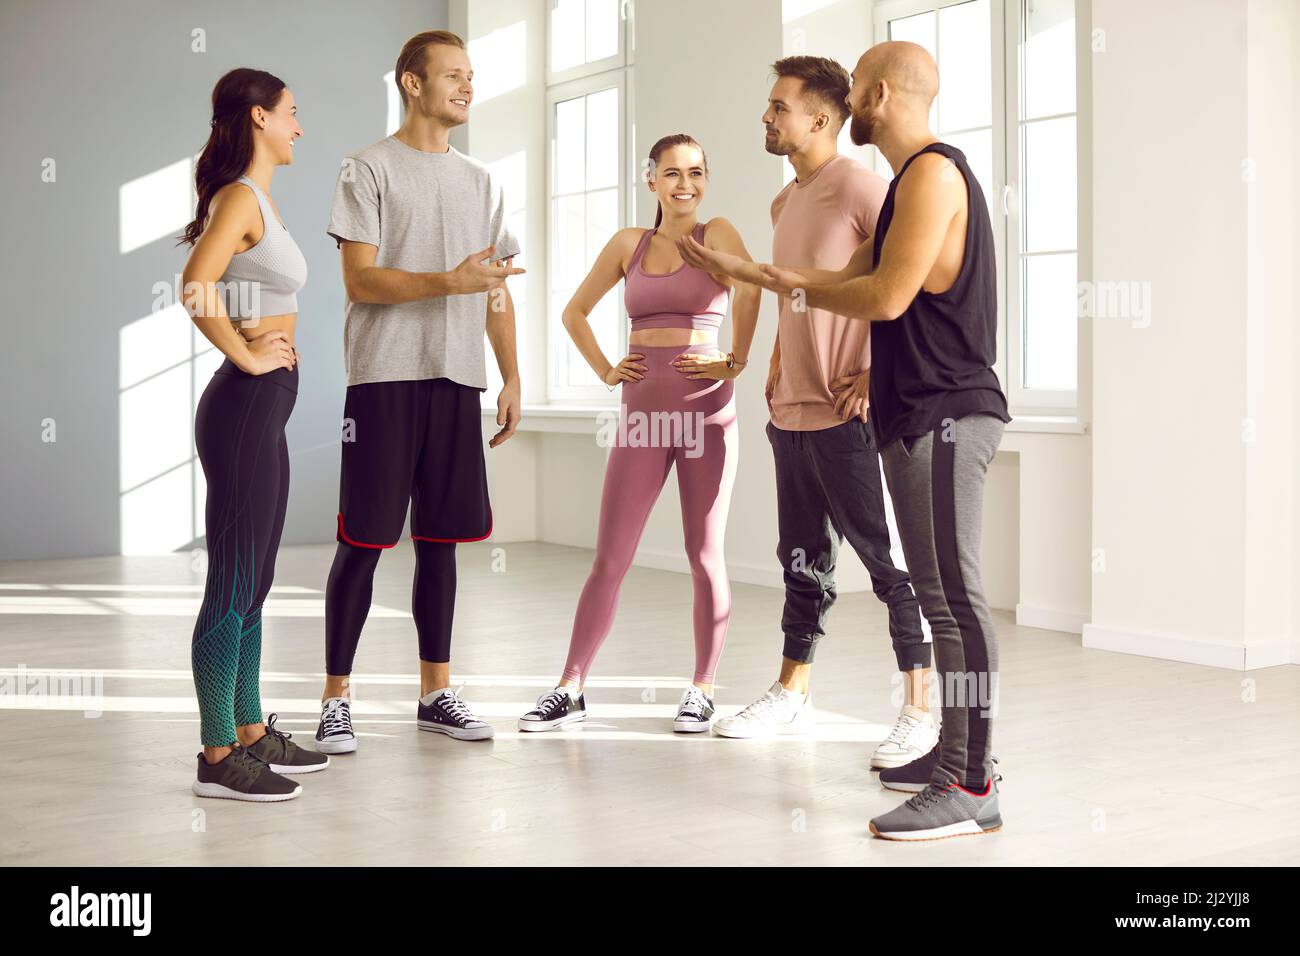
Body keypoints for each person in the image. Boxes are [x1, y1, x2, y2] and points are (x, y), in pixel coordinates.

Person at [754, 41, 1011, 840]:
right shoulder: (907, 187)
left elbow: (886, 295)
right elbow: (837, 278)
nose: (854, 100)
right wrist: (755, 273)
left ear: (879, 95)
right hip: (917, 417)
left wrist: (799, 286)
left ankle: (970, 783)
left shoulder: (932, 173)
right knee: (944, 600)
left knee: (956, 603)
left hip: (946, 412)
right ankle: (956, 762)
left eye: (860, 89)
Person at [678, 56, 935, 769]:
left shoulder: (866, 186)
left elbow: (905, 282)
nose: (767, 117)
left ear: (820, 118)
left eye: (778, 107)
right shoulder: (783, 203)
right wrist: (774, 361)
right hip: (789, 410)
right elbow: (794, 291)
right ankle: (793, 691)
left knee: (887, 564)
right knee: (802, 562)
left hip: (846, 413)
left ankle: (918, 708)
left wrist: (880, 370)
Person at [315, 30, 524, 752]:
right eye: (453, 75)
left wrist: (512, 375)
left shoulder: (484, 181)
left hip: (458, 379)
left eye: (472, 76)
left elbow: (497, 291)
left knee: (441, 543)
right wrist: (449, 281)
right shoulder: (366, 168)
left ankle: (437, 692)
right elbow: (360, 280)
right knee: (364, 541)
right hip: (383, 379)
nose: (467, 87)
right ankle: (336, 698)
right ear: (411, 82)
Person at [518, 134, 759, 734]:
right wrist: (604, 369)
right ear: (649, 179)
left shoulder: (719, 234)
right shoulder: (630, 244)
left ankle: (703, 688)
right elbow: (574, 311)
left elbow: (752, 288)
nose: (686, 185)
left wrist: (735, 360)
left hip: (707, 414)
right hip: (643, 418)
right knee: (610, 556)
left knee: (703, 554)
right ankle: (570, 686)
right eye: (673, 173)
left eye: (697, 173)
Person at [180, 67, 327, 801]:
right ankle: (215, 757)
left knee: (258, 581)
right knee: (232, 582)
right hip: (244, 406)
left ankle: (247, 732)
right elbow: (196, 286)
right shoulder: (241, 196)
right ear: (261, 118)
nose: (301, 126)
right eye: (292, 113)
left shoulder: (257, 199)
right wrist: (244, 353)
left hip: (264, 407)